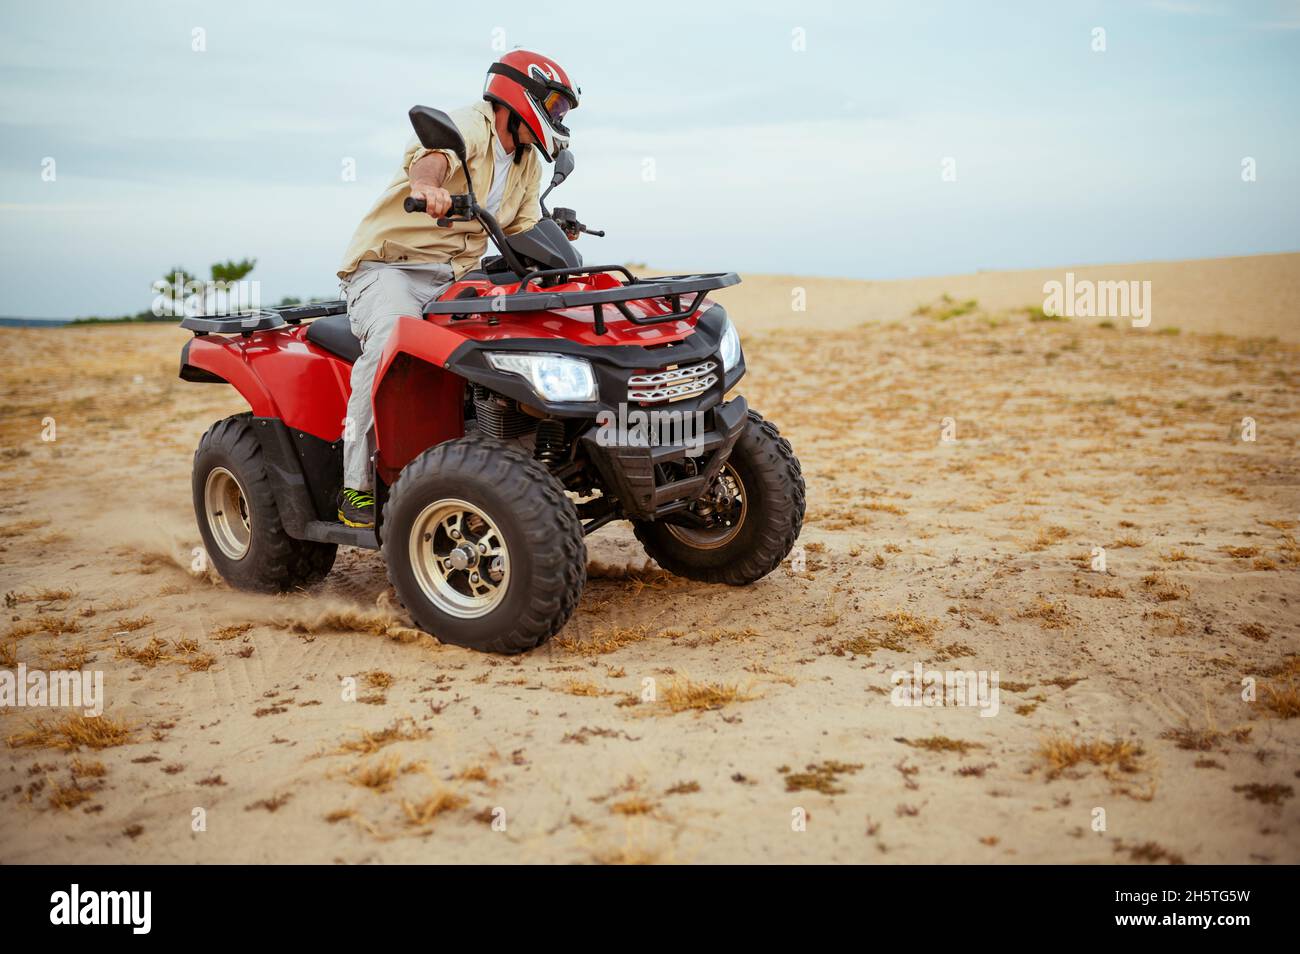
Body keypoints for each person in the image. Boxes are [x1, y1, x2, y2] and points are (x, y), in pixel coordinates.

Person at [333, 50, 579, 527]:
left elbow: (523, 225)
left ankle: (509, 466)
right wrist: (429, 189)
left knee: (518, 331)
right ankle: (356, 488)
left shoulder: (527, 160)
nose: (560, 118)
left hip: (456, 275)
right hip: (390, 268)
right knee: (389, 340)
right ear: (520, 97)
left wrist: (556, 240)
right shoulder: (468, 126)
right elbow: (430, 160)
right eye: (556, 106)